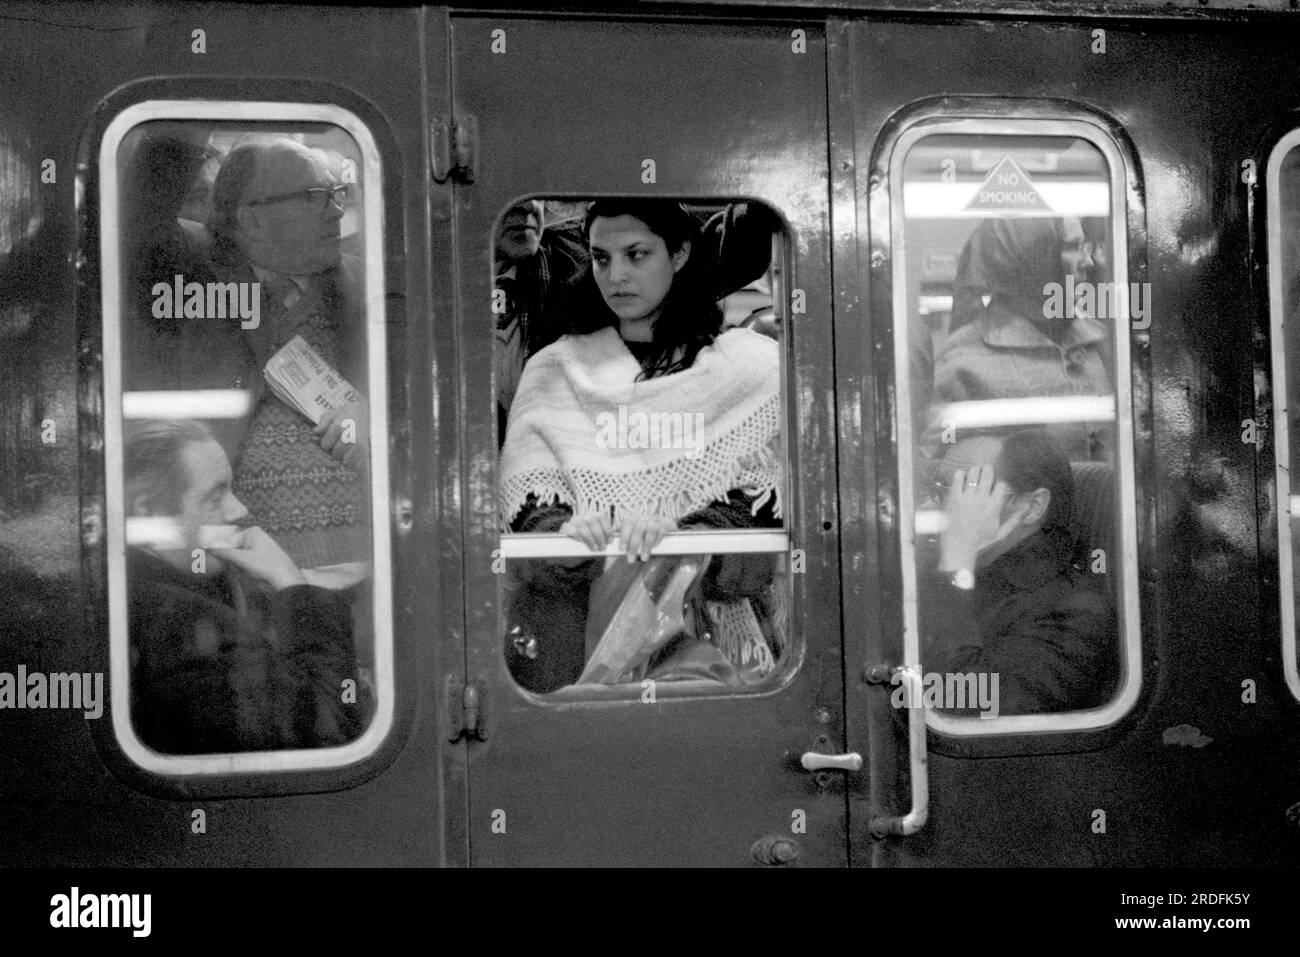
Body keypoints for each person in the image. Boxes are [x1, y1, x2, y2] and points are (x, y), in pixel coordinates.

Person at [499, 199, 784, 692]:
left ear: (678, 254)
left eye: (637, 254)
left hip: (708, 651)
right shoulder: (554, 368)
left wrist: (682, 537)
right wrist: (567, 533)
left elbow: (762, 502)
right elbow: (527, 505)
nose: (617, 277)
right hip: (572, 652)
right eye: (601, 258)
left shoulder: (748, 369)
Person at [123, 419, 362, 754]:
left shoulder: (149, 590)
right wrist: (291, 584)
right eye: (215, 495)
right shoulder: (185, 627)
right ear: (148, 513)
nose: (240, 510)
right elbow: (331, 738)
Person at [207, 137, 370, 569]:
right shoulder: (197, 294)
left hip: (370, 574)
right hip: (245, 577)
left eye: (336, 195)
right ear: (252, 219)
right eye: (314, 197)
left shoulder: (371, 290)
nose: (336, 210)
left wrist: (383, 418)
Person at [493, 198, 780, 434]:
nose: (528, 206)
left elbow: (731, 248)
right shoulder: (451, 280)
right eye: (505, 183)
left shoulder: (583, 253)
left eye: (537, 189)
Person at [922, 430, 1117, 716]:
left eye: (965, 492)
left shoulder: (1073, 615)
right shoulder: (938, 570)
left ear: (1031, 507)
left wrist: (956, 561)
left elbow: (957, 708)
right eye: (939, 490)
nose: (931, 507)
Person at [922, 216, 1111, 462]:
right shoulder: (964, 363)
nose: (1088, 261)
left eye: (1085, 247)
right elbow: (934, 468)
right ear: (1033, 259)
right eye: (1073, 247)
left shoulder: (1101, 342)